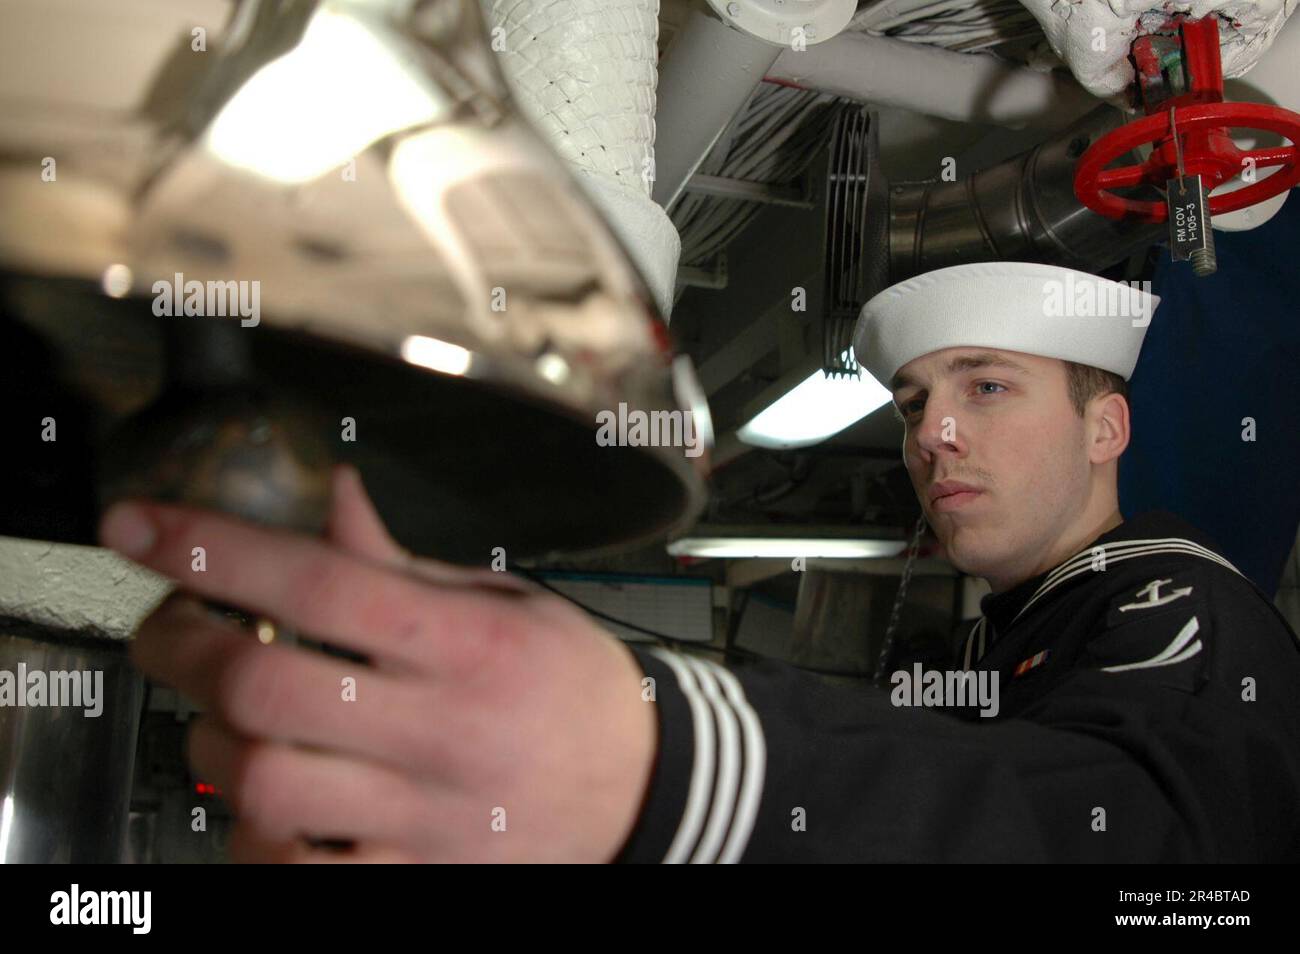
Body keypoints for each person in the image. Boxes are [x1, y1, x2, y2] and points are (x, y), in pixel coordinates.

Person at [100, 261, 1300, 863]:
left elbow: (1153, 858)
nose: (931, 433)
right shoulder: (1007, 629)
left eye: (988, 389)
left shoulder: (1178, 609)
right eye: (917, 400)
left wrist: (668, 763)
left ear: (1106, 430)